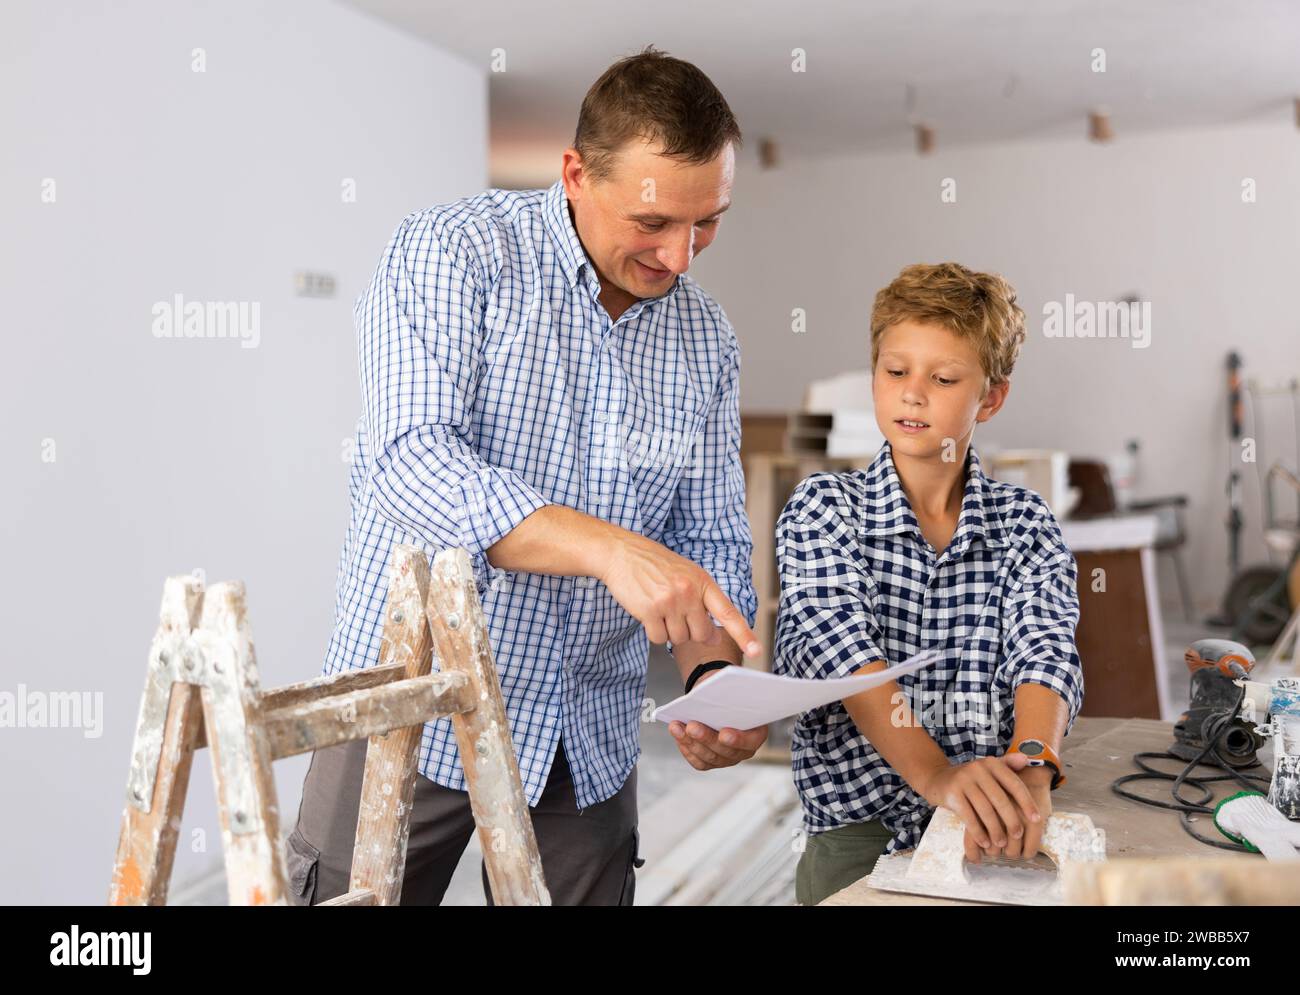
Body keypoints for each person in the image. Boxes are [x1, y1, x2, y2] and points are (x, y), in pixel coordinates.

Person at [286, 47, 767, 907]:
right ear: (576, 173)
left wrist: (711, 682)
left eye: (709, 223)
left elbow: (709, 540)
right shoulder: (451, 252)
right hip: (407, 696)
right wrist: (609, 550)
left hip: (581, 724)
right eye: (653, 223)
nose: (682, 257)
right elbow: (409, 462)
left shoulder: (707, 338)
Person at [774, 262, 1084, 906]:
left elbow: (1045, 651)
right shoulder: (823, 509)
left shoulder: (1025, 524)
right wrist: (936, 774)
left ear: (990, 398)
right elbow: (849, 661)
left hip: (987, 825)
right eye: (895, 372)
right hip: (858, 838)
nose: (913, 393)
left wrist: (1032, 766)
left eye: (943, 378)